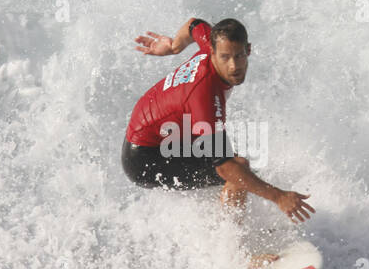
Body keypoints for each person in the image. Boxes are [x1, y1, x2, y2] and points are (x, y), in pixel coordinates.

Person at [122, 17, 315, 224]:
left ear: (248, 50)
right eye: (225, 57)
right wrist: (279, 197)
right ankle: (231, 241)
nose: (233, 66)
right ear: (212, 53)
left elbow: (194, 24)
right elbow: (225, 167)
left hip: (166, 131)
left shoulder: (213, 40)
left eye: (239, 55)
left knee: (237, 168)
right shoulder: (204, 96)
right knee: (237, 169)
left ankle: (220, 213)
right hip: (146, 158)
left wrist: (174, 46)